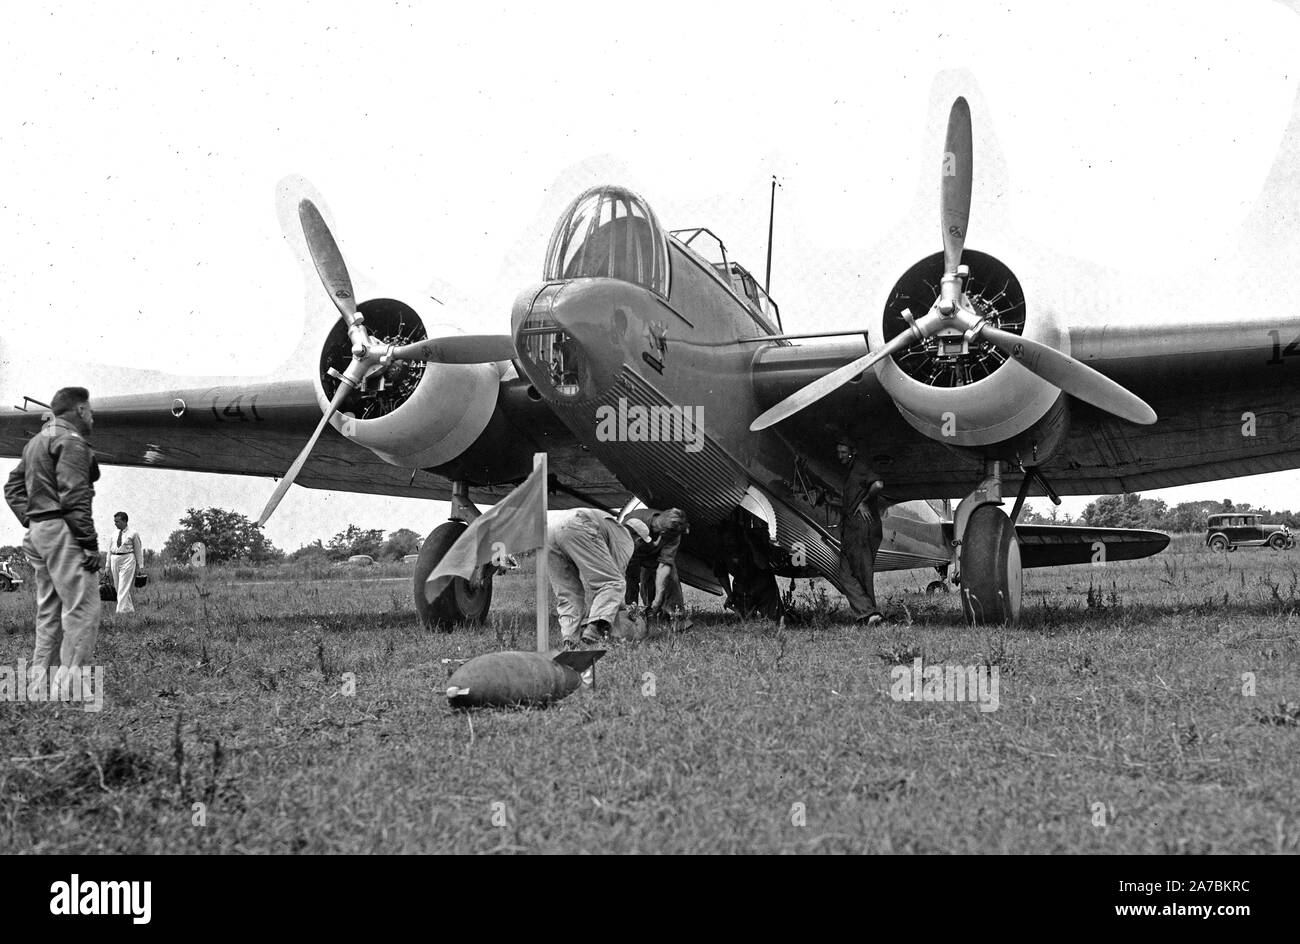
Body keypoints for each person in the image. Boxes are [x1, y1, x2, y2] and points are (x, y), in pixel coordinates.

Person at [3, 387, 103, 692]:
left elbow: (12, 488)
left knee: (49, 610)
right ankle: (67, 688)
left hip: (38, 533)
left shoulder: (35, 442)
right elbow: (74, 496)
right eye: (89, 410)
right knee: (82, 609)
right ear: (80, 411)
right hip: (63, 532)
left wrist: (33, 517)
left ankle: (38, 682)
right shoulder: (71, 441)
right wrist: (88, 543)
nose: (92, 416)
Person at [547, 508, 650, 646]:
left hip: (547, 529)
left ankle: (570, 641)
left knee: (567, 595)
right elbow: (614, 578)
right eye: (641, 543)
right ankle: (595, 628)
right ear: (638, 539)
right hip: (577, 522)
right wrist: (625, 609)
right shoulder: (625, 538)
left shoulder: (608, 528)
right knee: (613, 583)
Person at [838, 441, 885, 625]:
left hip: (862, 529)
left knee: (862, 573)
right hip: (851, 530)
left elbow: (879, 484)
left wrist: (865, 502)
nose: (839, 455)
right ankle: (868, 612)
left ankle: (870, 614)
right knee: (845, 574)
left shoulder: (860, 468)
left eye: (843, 452)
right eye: (838, 452)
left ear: (853, 452)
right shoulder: (851, 472)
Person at [623, 507, 691, 628]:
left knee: (670, 575)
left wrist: (658, 598)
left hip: (654, 556)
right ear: (662, 532)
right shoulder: (634, 521)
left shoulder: (674, 532)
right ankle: (630, 617)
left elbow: (664, 564)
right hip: (629, 553)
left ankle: (677, 617)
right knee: (630, 582)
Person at [108, 511, 143, 615]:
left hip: (127, 559)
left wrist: (140, 566)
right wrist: (107, 565)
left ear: (124, 521)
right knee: (118, 586)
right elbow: (109, 550)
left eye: (117, 521)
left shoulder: (133, 533)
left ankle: (119, 612)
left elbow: (138, 550)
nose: (115, 524)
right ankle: (129, 610)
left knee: (123, 586)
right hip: (115, 558)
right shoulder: (113, 534)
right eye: (114, 521)